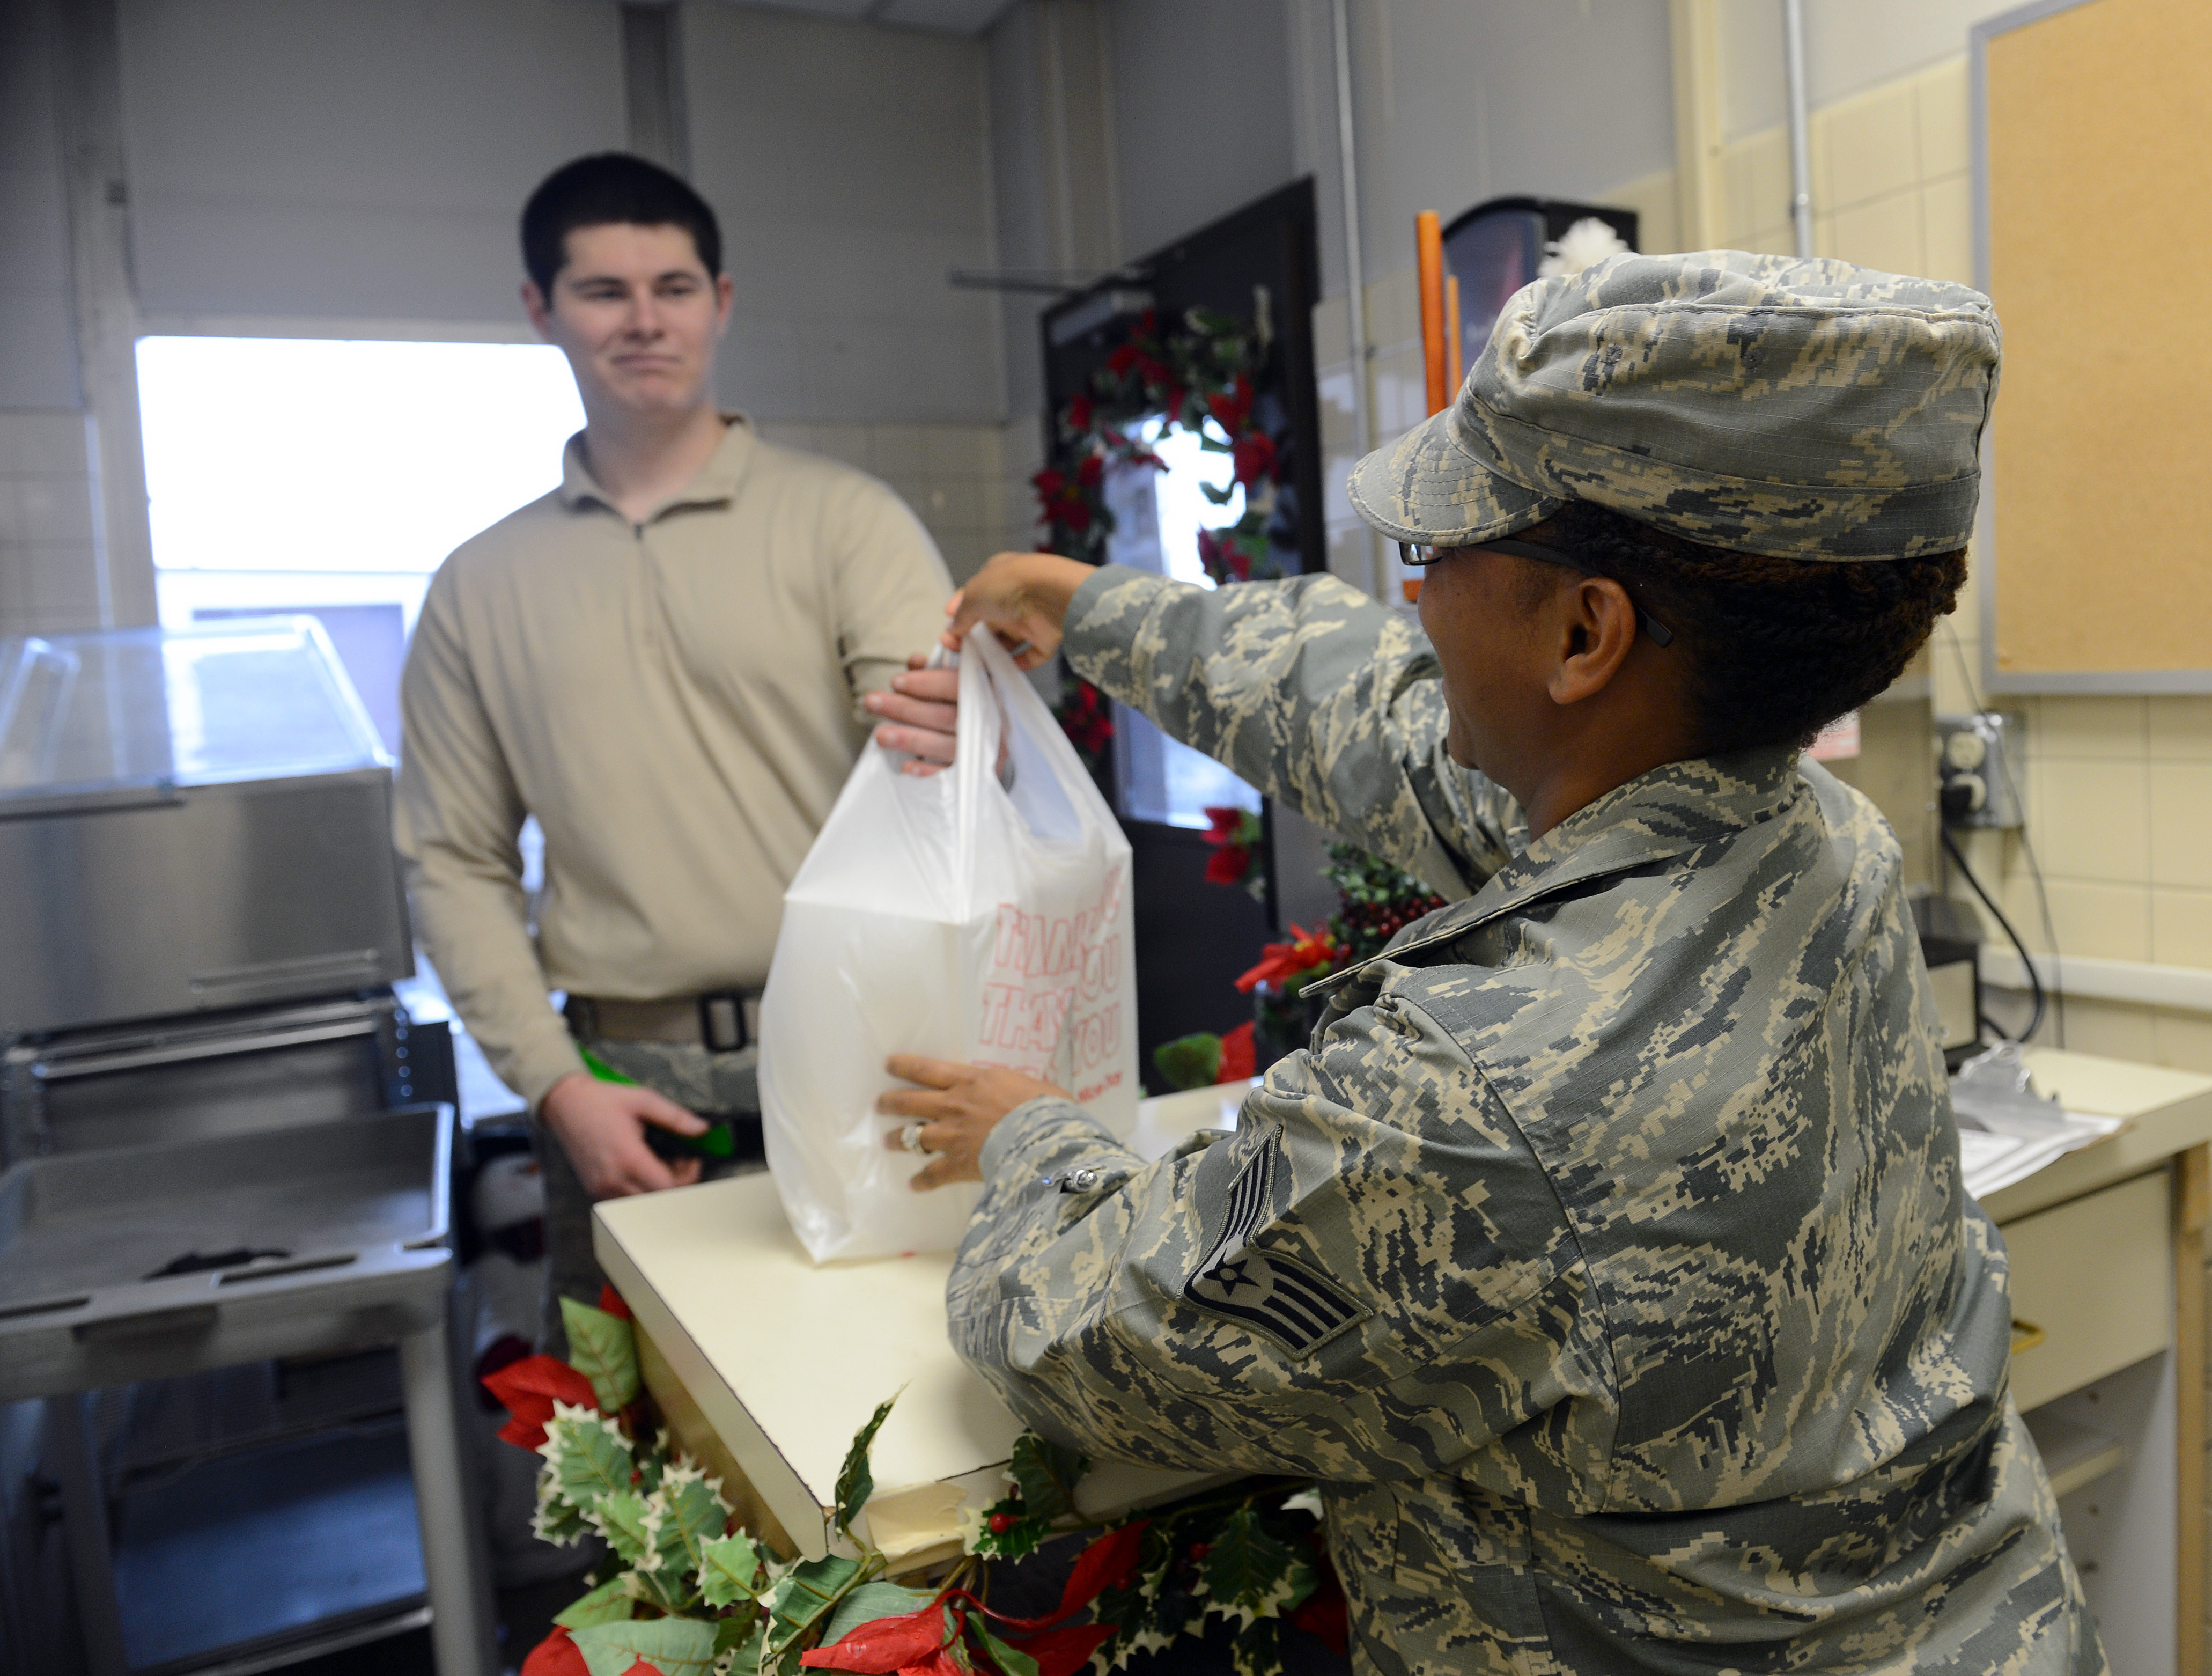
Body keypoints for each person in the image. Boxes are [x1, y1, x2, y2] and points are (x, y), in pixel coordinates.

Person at [879, 254, 2105, 1673]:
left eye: (1446, 547)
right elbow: (1388, 721)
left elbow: (1080, 1339)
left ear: (1584, 633)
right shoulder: (1813, 832)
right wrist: (1096, 609)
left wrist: (1030, 1141)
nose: (1416, 585)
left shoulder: (1475, 1098)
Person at [394, 153, 962, 1332]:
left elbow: (943, 762)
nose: (645, 320)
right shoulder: (478, 585)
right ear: (540, 310)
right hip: (619, 1085)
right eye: (604, 291)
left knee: (877, 1418)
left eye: (675, 286)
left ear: (723, 299)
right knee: (650, 1463)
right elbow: (452, 859)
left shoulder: (844, 521)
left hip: (859, 1050)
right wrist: (554, 1085)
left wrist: (975, 722)